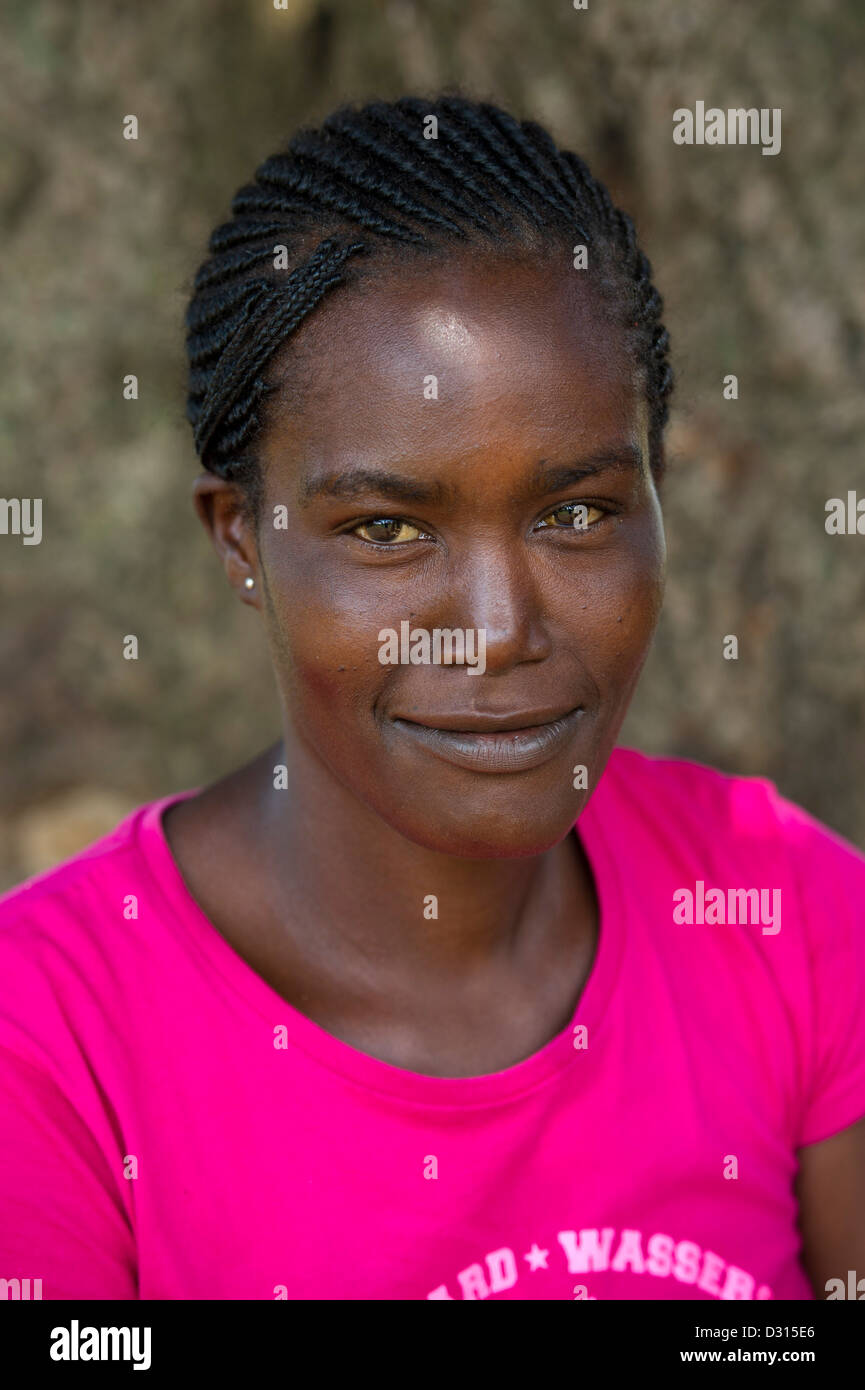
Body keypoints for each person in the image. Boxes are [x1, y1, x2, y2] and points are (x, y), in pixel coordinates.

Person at [1, 94, 863, 1302]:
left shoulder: (785, 908)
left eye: (576, 513)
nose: (500, 630)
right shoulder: (49, 1043)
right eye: (389, 528)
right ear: (242, 538)